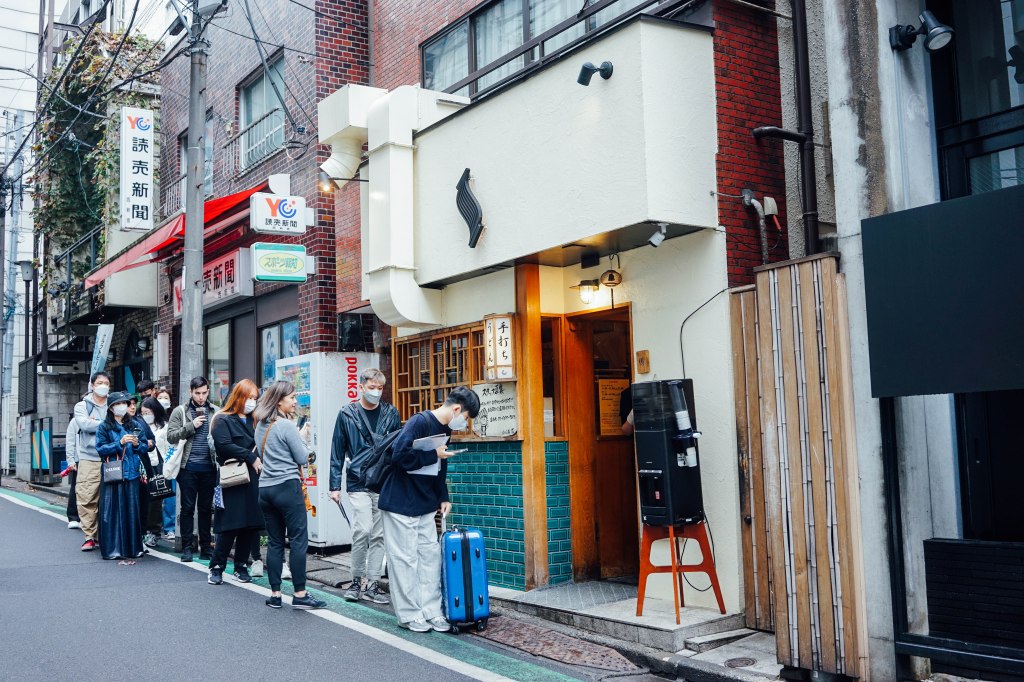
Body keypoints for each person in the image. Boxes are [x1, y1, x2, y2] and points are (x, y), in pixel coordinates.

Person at [379, 386, 480, 633]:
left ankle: (432, 611)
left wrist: (443, 496)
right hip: (400, 502)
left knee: (430, 559)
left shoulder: (446, 430)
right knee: (405, 560)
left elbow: (440, 466)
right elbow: (399, 457)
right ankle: (409, 615)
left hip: (425, 503)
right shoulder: (419, 422)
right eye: (466, 417)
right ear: (457, 409)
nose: (464, 423)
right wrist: (433, 454)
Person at [329, 367, 400, 604]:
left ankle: (373, 584)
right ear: (361, 387)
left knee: (379, 535)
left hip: (382, 481)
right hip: (357, 480)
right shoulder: (347, 414)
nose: (376, 392)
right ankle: (356, 581)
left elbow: (396, 448)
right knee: (363, 529)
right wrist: (334, 486)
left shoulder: (391, 413)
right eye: (372, 388)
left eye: (380, 388)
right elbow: (337, 451)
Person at [253, 380, 325, 610]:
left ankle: (275, 594)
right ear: (279, 400)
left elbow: (266, 453)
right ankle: (300, 594)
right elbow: (302, 457)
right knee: (298, 541)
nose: (295, 401)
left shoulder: (260, 425)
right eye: (292, 397)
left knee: (275, 542)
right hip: (287, 487)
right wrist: (309, 448)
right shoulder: (286, 425)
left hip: (265, 489)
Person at [208, 379, 265, 586]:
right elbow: (224, 445)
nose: (252, 402)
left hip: (253, 478)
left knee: (250, 524)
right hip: (230, 477)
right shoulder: (222, 419)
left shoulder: (255, 420)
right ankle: (217, 567)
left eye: (255, 398)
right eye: (248, 397)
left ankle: (241, 566)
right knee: (229, 525)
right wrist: (250, 457)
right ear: (238, 397)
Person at [167, 377, 219, 563]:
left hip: (209, 467)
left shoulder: (215, 412)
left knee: (206, 508)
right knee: (187, 508)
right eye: (197, 393)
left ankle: (206, 548)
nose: (201, 397)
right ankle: (187, 548)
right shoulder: (180, 411)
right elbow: (171, 436)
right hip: (187, 468)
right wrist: (191, 426)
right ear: (190, 392)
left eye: (204, 393)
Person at [95, 391, 150, 563]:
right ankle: (113, 549)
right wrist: (119, 443)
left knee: (131, 510)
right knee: (111, 510)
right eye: (118, 404)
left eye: (124, 403)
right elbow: (100, 449)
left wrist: (137, 443)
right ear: (111, 408)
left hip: (131, 472)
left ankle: (133, 548)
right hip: (114, 473)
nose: (123, 406)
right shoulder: (104, 427)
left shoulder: (134, 424)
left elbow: (145, 446)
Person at [73, 371, 111, 551]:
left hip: (111, 457)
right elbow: (84, 424)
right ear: (92, 385)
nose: (103, 386)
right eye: (100, 383)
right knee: (87, 497)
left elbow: (120, 423)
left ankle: (105, 535)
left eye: (106, 383)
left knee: (110, 498)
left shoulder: (114, 404)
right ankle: (89, 536)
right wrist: (106, 423)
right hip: (89, 458)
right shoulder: (82, 405)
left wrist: (96, 422)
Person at [139, 398, 167, 547]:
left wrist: (167, 464)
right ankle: (142, 531)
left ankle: (154, 532)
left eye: (148, 412)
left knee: (156, 501)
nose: (146, 415)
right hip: (141, 467)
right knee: (142, 501)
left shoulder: (164, 427)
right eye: (143, 412)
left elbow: (170, 447)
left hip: (157, 467)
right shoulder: (138, 425)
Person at [65, 412, 81, 529]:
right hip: (80, 460)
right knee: (76, 487)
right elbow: (70, 442)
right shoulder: (75, 422)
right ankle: (73, 516)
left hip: (97, 459)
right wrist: (71, 461)